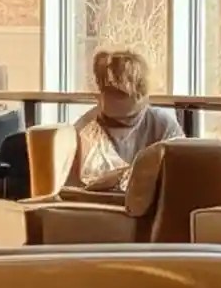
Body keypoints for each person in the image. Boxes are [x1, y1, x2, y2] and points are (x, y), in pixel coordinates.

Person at [70, 49, 183, 191]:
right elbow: (75, 189)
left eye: (120, 92)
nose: (109, 98)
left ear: (141, 94)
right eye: (106, 90)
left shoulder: (162, 124)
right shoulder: (85, 129)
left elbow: (177, 174)